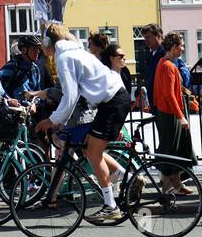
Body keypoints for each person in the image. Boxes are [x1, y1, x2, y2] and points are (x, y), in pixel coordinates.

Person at [34, 23, 131, 224]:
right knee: (89, 148)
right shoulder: (75, 52)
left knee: (94, 152)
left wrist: (52, 120)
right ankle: (122, 184)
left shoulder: (64, 58)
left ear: (47, 43)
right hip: (112, 100)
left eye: (41, 45)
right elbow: (75, 95)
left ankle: (111, 205)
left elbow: (69, 97)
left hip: (112, 102)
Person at [153, 33, 196, 193]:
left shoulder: (163, 63)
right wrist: (181, 116)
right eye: (181, 46)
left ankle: (177, 184)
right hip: (170, 114)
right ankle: (165, 192)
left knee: (176, 150)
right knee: (171, 152)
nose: (183, 49)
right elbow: (169, 94)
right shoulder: (168, 66)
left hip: (167, 113)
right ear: (173, 47)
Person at [0, 36, 45, 106]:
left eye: (38, 49)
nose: (37, 52)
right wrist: (8, 98)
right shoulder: (13, 65)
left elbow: (37, 91)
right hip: (11, 110)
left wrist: (35, 104)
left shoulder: (35, 69)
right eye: (34, 49)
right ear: (24, 50)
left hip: (27, 111)